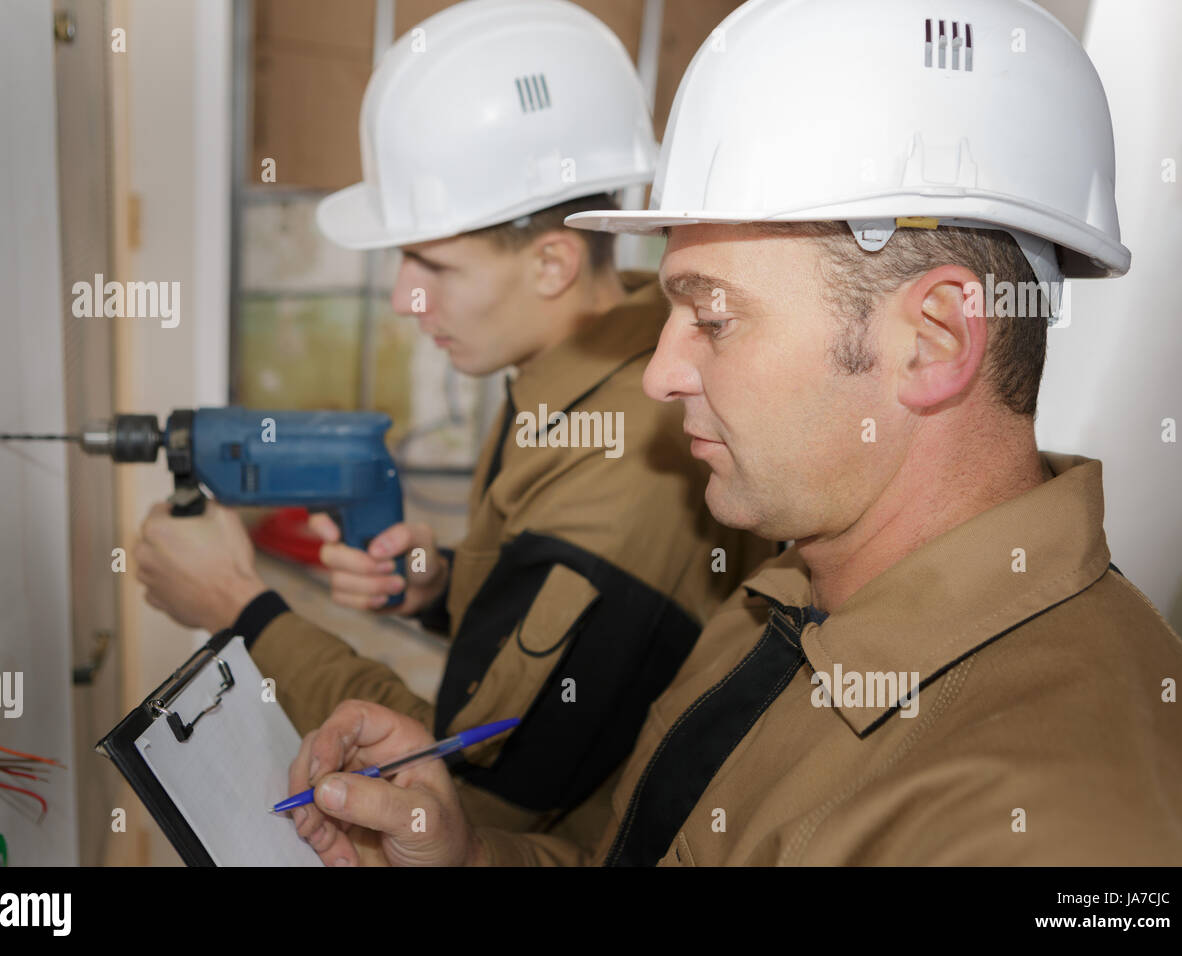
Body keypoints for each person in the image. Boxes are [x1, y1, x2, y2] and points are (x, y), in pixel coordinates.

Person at [282, 0, 1182, 866]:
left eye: (715, 317)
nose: (658, 373)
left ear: (933, 341)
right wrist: (467, 855)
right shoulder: (779, 595)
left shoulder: (1072, 830)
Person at [133, 0, 773, 849]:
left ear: (552, 262)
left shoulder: (628, 479)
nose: (403, 297)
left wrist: (239, 610)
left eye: (430, 262)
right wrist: (448, 591)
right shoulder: (580, 373)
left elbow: (465, 796)